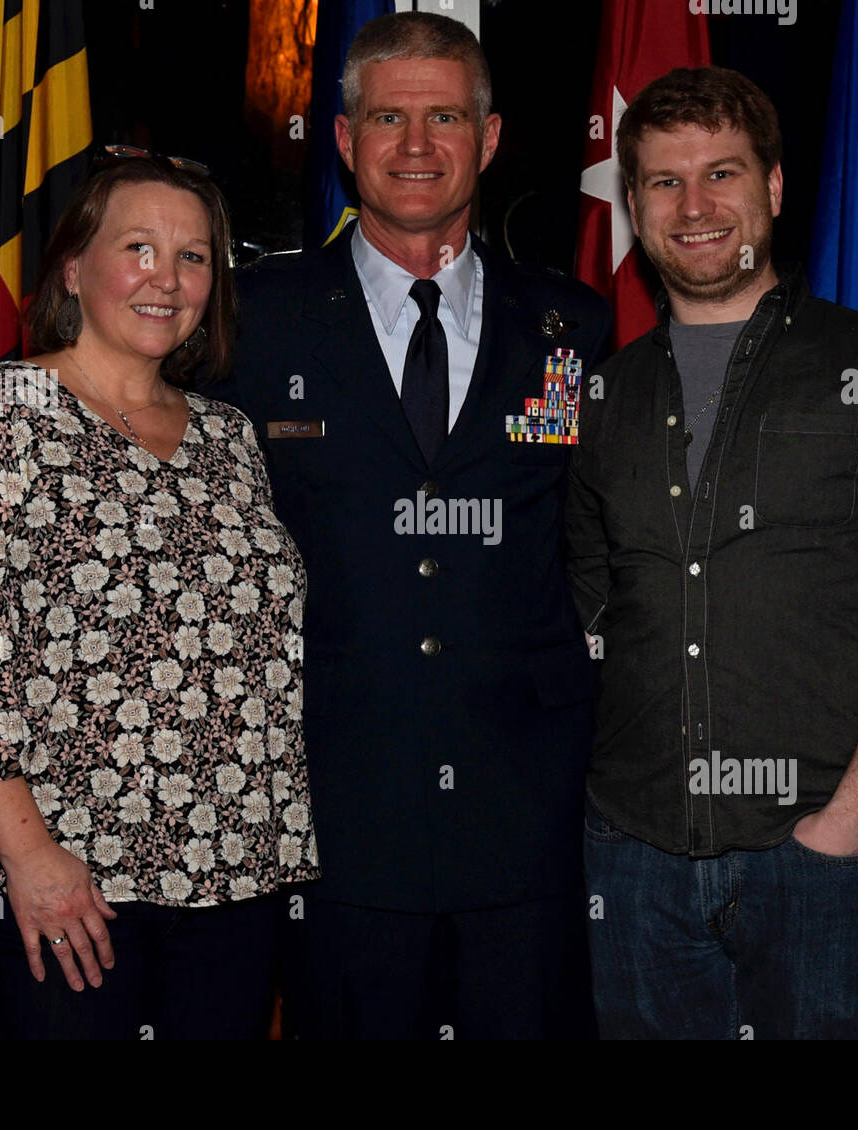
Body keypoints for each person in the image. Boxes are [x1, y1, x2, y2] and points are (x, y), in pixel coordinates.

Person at [205, 11, 610, 1039]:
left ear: (489, 137)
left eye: (444, 116)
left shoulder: (575, 324)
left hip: (526, 813)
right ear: (344, 142)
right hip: (336, 807)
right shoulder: (251, 319)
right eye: (388, 117)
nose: (417, 145)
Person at [565, 66, 858, 1039]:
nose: (695, 205)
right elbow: (586, 606)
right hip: (632, 858)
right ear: (632, 206)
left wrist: (848, 819)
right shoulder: (600, 396)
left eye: (722, 174)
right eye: (664, 181)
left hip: (815, 856)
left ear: (775, 188)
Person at [0, 154, 316, 1039]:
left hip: (237, 874)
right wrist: (32, 859)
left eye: (193, 256)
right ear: (75, 269)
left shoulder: (228, 437)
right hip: (70, 882)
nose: (168, 278)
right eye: (139, 247)